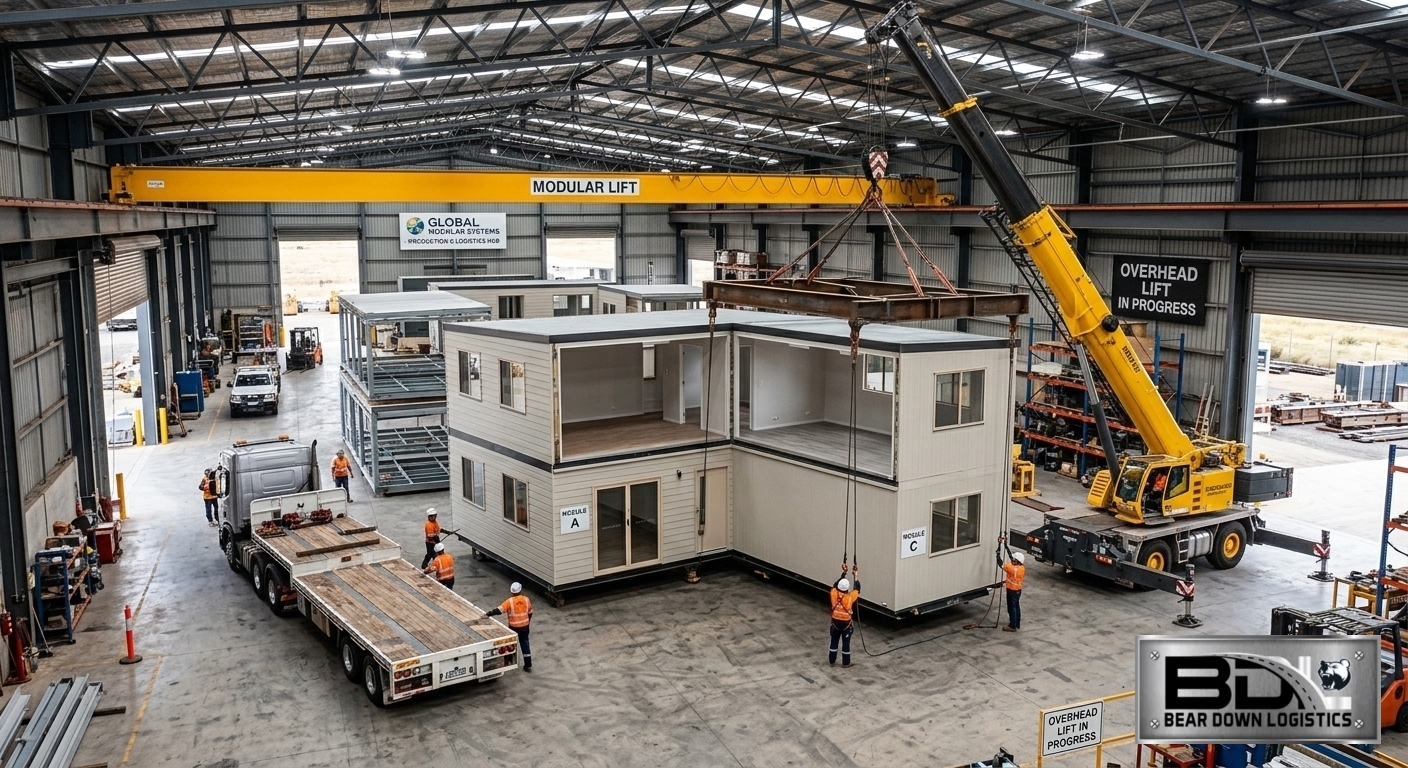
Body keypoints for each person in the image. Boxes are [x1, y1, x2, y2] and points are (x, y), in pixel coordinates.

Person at [486, 582, 534, 672]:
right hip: (525, 627)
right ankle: (528, 665)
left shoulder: (510, 601)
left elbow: (499, 610)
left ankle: (509, 662)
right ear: (520, 590)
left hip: (513, 627)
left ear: (512, 592)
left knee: (511, 644)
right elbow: (530, 612)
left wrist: (488, 614)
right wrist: (528, 622)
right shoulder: (526, 599)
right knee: (525, 644)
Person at [828, 564, 860, 667]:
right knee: (846, 643)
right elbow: (857, 589)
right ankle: (846, 662)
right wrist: (855, 575)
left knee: (834, 641)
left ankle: (832, 661)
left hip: (835, 622)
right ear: (847, 588)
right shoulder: (850, 597)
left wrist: (844, 573)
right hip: (846, 623)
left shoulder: (833, 593)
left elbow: (835, 585)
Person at [998, 536, 1025, 632]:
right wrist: (1005, 546)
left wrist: (998, 550)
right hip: (1018, 590)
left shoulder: (1011, 568)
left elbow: (1000, 562)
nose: (1012, 560)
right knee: (1016, 606)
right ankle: (1017, 623)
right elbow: (1011, 557)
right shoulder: (1021, 568)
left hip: (1011, 590)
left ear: (1017, 561)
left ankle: (1012, 626)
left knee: (1011, 607)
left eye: (1014, 559)